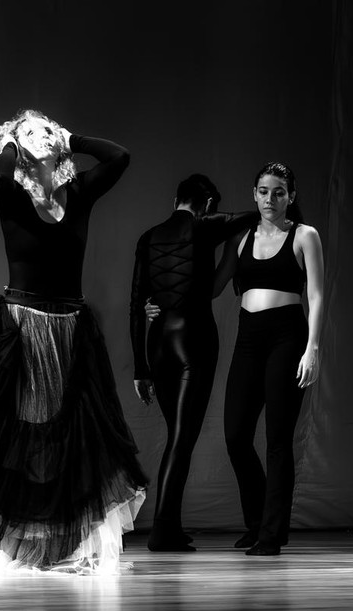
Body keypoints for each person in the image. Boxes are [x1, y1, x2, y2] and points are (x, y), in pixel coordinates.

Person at [0, 109, 149, 574]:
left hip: (69, 326)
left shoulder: (79, 193)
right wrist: (13, 141)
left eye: (46, 130)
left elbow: (120, 157)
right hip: (21, 327)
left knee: (68, 435)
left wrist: (73, 138)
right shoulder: (11, 194)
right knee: (16, 433)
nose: (41, 136)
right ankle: (12, 543)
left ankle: (60, 546)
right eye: (31, 133)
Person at [147, 161, 323, 556]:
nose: (270, 199)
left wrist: (313, 347)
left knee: (278, 440)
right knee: (236, 436)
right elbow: (208, 287)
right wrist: (158, 301)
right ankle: (258, 523)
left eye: (279, 192)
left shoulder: (304, 235)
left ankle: (271, 534)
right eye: (263, 191)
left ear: (290, 196)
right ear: (253, 194)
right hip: (249, 337)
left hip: (287, 336)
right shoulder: (241, 236)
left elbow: (317, 295)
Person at [130, 174, 256, 552]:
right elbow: (253, 215)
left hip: (158, 343)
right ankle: (163, 529)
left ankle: (171, 525)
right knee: (181, 440)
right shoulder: (204, 226)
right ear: (206, 205)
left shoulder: (148, 237)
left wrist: (140, 368)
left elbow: (137, 304)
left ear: (174, 199)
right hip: (194, 339)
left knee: (176, 437)